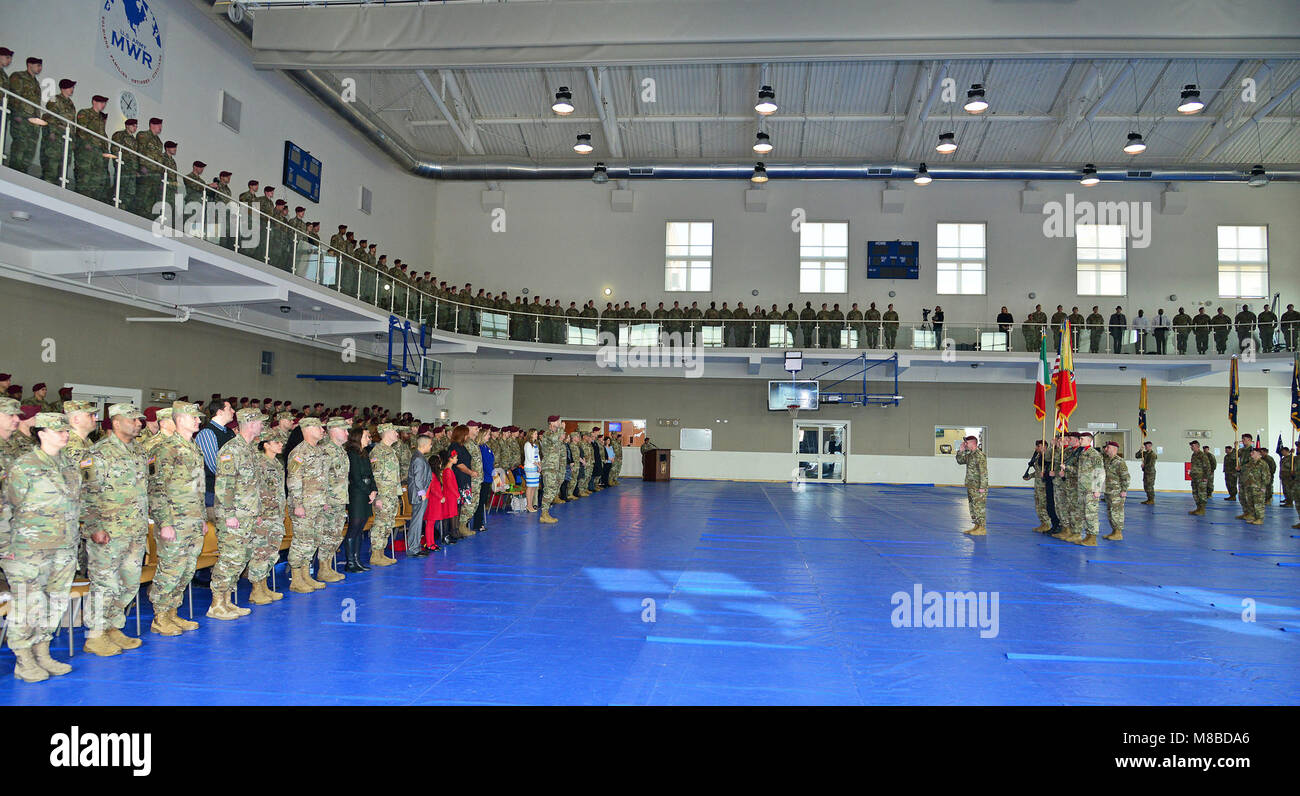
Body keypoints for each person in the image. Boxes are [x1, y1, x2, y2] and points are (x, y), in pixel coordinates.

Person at [2, 411, 80, 683]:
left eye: (66, 430)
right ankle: (23, 660)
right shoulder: (25, 466)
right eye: (58, 430)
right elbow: (5, 506)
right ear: (42, 433)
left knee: (55, 601)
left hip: (64, 547)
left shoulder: (69, 466)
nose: (65, 435)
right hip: (27, 549)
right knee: (28, 604)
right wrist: (4, 547)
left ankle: (42, 652)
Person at [81, 403, 149, 656]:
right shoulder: (97, 454)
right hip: (108, 532)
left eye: (139, 420)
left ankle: (113, 627)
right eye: (132, 420)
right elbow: (86, 493)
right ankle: (95, 635)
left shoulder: (139, 452)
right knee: (105, 584)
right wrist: (94, 527)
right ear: (116, 422)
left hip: (134, 530)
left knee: (128, 583)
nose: (138, 423)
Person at [145, 401, 206, 635]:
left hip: (192, 519)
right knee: (170, 568)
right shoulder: (164, 449)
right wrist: (165, 522)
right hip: (174, 520)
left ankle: (172, 613)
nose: (199, 421)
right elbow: (156, 488)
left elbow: (198, 488)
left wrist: (201, 518)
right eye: (194, 418)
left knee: (186, 569)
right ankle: (160, 617)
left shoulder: (194, 448)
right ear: (180, 419)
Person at [209, 407, 266, 620]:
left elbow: (251, 485)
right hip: (233, 516)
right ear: (251, 424)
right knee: (229, 559)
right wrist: (230, 514)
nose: (262, 425)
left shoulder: (250, 449)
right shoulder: (231, 450)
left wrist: (256, 511)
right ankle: (216, 604)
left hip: (247, 514)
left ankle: (227, 601)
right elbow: (224, 485)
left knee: (240, 559)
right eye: (260, 422)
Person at [285, 418, 329, 592]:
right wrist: (297, 504)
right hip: (303, 505)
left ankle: (306, 575)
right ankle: (296, 579)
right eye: (318, 427)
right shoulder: (298, 453)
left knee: (314, 541)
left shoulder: (320, 451)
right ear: (308, 429)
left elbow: (323, 480)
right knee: (301, 542)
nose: (322, 430)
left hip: (318, 504)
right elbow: (294, 480)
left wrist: (324, 500)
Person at [246, 428, 288, 604]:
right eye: (276, 442)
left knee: (271, 553)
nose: (281, 445)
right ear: (265, 445)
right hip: (263, 515)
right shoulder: (259, 463)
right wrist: (256, 512)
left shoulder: (277, 463)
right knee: (260, 552)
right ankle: (256, 590)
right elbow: (252, 490)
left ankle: (264, 587)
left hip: (276, 513)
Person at [318, 418, 352, 579]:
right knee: (327, 535)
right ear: (333, 430)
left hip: (339, 500)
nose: (347, 433)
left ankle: (329, 566)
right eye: (344, 430)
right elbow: (320, 477)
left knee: (336, 535)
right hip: (329, 502)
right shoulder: (326, 451)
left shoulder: (341, 451)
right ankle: (323, 569)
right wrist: (323, 499)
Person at [343, 426, 377, 573]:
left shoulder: (364, 453)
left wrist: (374, 490)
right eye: (366, 436)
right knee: (354, 528)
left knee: (361, 527)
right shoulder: (352, 454)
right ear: (358, 438)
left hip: (366, 492)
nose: (369, 439)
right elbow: (355, 477)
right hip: (357, 494)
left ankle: (356, 560)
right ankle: (350, 562)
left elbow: (371, 474)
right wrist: (368, 492)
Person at [195, 399, 236, 521]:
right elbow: (214, 466)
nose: (233, 411)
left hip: (228, 493)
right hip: (214, 494)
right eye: (230, 409)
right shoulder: (207, 433)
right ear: (220, 412)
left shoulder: (228, 432)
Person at [369, 423, 402, 565]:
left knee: (388, 524)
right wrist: (378, 497)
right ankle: (375, 555)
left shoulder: (390, 450)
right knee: (381, 524)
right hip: (384, 495)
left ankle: (381, 553)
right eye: (394, 430)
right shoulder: (378, 452)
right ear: (386, 432)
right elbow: (375, 476)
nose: (396, 433)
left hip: (392, 494)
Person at [1070, 432, 1106, 546]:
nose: (1079, 441)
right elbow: (1080, 471)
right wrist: (1067, 468)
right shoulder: (1082, 453)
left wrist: (1097, 489)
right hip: (1082, 488)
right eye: (1079, 439)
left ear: (1089, 440)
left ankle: (1092, 538)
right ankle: (1087, 536)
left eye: (1081, 439)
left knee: (1091, 513)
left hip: (1091, 489)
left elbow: (1100, 472)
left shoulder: (1094, 454)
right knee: (1083, 513)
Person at [448, 425, 479, 537]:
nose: (467, 436)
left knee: (461, 505)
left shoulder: (462, 446)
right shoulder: (454, 446)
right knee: (456, 506)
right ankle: (454, 530)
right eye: (466, 434)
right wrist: (471, 472)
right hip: (459, 479)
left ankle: (459, 528)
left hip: (464, 479)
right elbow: (459, 464)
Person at [406, 434, 434, 557]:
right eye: (430, 444)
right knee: (416, 522)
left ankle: (415, 546)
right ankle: (413, 548)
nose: (431, 446)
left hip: (420, 493)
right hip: (419, 494)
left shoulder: (419, 456)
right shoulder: (418, 458)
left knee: (417, 521)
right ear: (424, 445)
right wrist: (422, 493)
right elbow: (418, 479)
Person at [954, 435, 987, 535]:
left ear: (972, 443)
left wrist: (983, 487)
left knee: (979, 507)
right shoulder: (970, 454)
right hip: (971, 485)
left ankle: (982, 528)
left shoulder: (980, 455)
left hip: (978, 486)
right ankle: (976, 526)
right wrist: (960, 451)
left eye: (966, 443)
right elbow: (960, 461)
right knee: (973, 507)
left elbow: (984, 472)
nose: (965, 444)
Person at [538, 415, 564, 524]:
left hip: (554, 466)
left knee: (553, 490)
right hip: (549, 466)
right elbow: (554, 439)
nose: (560, 422)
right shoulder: (548, 433)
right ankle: (544, 514)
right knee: (549, 490)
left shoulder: (555, 434)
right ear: (552, 423)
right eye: (558, 421)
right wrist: (562, 429)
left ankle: (546, 512)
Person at [1101, 441, 1129, 541]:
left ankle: (1118, 533)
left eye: (1108, 447)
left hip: (1117, 491)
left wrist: (1124, 490)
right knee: (1110, 512)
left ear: (1114, 449)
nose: (1106, 449)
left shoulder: (1120, 462)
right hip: (1108, 490)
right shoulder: (1107, 460)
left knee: (1117, 512)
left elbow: (1125, 477)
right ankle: (1114, 531)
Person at [1024, 440, 1052, 532]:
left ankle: (1047, 523)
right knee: (1038, 505)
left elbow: (1048, 469)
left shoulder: (1047, 456)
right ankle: (1043, 523)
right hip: (1038, 484)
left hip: (1044, 485)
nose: (1036, 448)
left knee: (1043, 505)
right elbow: (1038, 471)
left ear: (1044, 447)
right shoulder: (1038, 456)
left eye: (1038, 446)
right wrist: (1030, 476)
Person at [1240, 447, 1267, 525]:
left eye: (1253, 453)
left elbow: (1266, 476)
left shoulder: (1262, 464)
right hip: (1248, 486)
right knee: (1250, 503)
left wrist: (1263, 486)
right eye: (1251, 452)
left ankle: (1259, 518)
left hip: (1258, 487)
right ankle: (1254, 517)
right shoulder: (1249, 463)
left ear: (1259, 454)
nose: (1251, 454)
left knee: (1258, 503)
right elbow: (1244, 471)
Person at [1188, 441, 1211, 515]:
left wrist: (1205, 477)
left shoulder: (1202, 455)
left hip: (1201, 478)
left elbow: (1207, 467)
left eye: (1193, 446)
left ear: (1198, 446)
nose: (1192, 447)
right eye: (1191, 446)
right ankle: (1198, 508)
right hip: (1194, 477)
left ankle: (1202, 509)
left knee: (1201, 493)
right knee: (1195, 493)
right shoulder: (1194, 455)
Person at [523, 428, 541, 511]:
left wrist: (539, 464)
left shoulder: (535, 444)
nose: (536, 435)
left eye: (536, 434)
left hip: (535, 467)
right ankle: (528, 505)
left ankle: (531, 504)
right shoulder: (527, 444)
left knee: (534, 487)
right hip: (530, 467)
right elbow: (530, 458)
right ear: (530, 434)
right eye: (535, 433)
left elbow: (538, 456)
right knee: (530, 487)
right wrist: (537, 464)